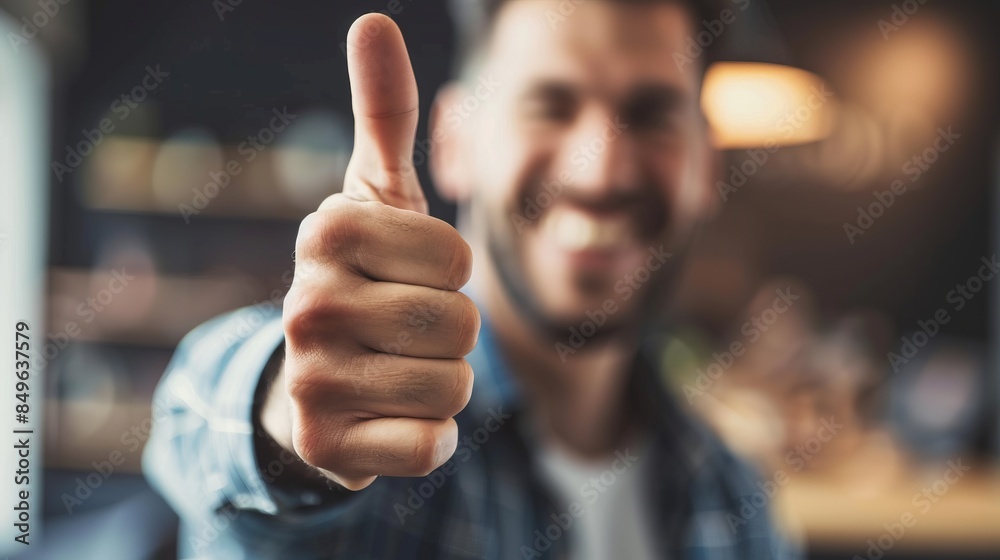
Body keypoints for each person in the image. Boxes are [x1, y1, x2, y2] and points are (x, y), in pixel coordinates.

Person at [144, 1, 800, 558]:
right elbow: (209, 425)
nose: (602, 173)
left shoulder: (736, 499)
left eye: (652, 115)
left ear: (707, 169)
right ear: (455, 144)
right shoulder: (383, 462)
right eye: (550, 105)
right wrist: (292, 418)